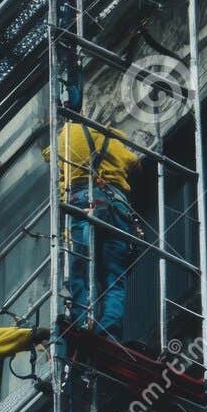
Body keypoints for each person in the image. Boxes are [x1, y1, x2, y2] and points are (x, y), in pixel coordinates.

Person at [44, 120, 140, 338]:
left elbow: (48, 154)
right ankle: (108, 332)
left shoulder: (63, 140)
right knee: (114, 277)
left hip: (81, 201)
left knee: (79, 268)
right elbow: (133, 162)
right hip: (116, 204)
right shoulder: (109, 139)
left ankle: (80, 320)